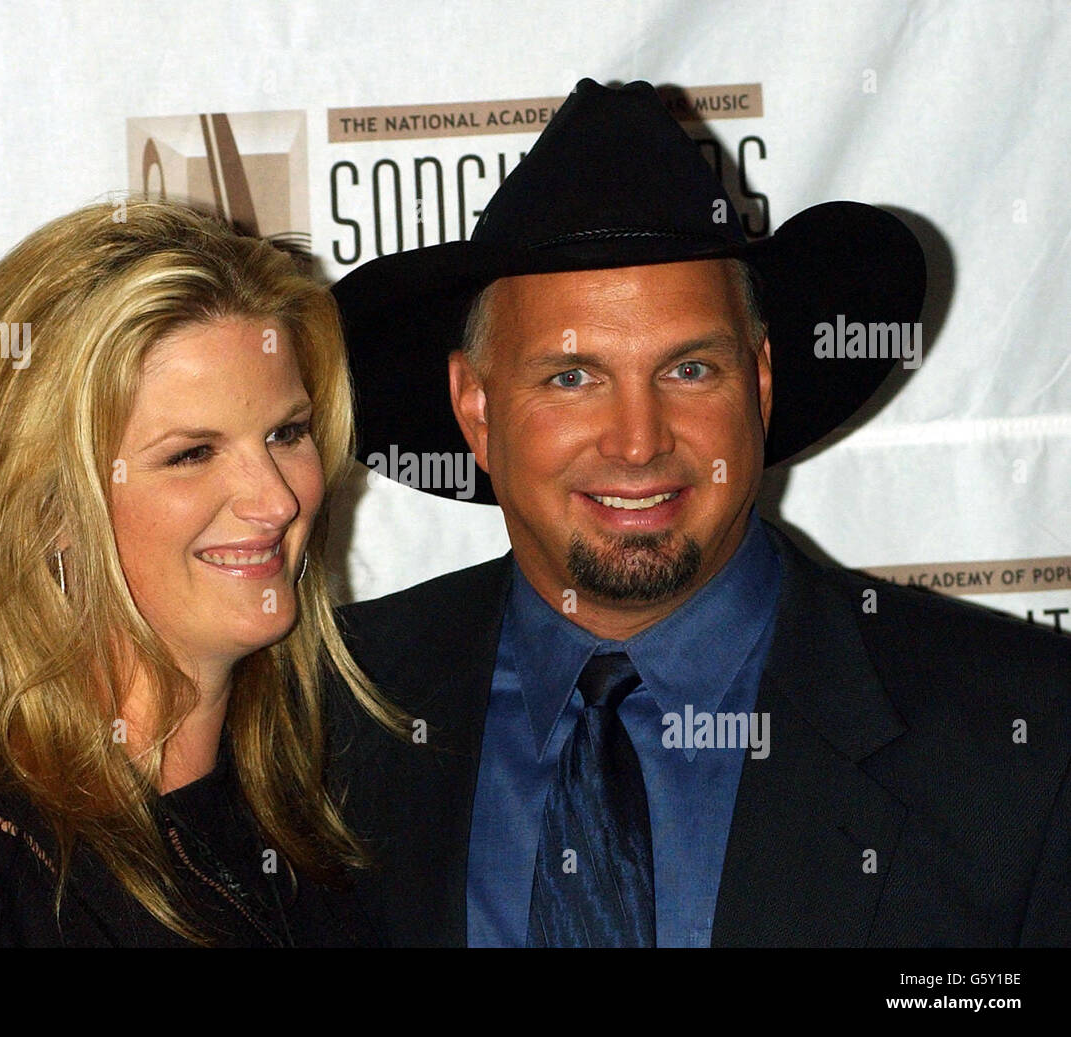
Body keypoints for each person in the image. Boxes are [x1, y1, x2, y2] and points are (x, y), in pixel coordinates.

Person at [324, 79, 1071, 947]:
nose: (638, 443)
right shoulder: (321, 721)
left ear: (757, 381)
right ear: (477, 410)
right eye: (572, 377)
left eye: (689, 370)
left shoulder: (1027, 742)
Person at [0, 199, 399, 947]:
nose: (276, 497)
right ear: (46, 510)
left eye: (286, 433)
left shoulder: (327, 795)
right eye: (192, 453)